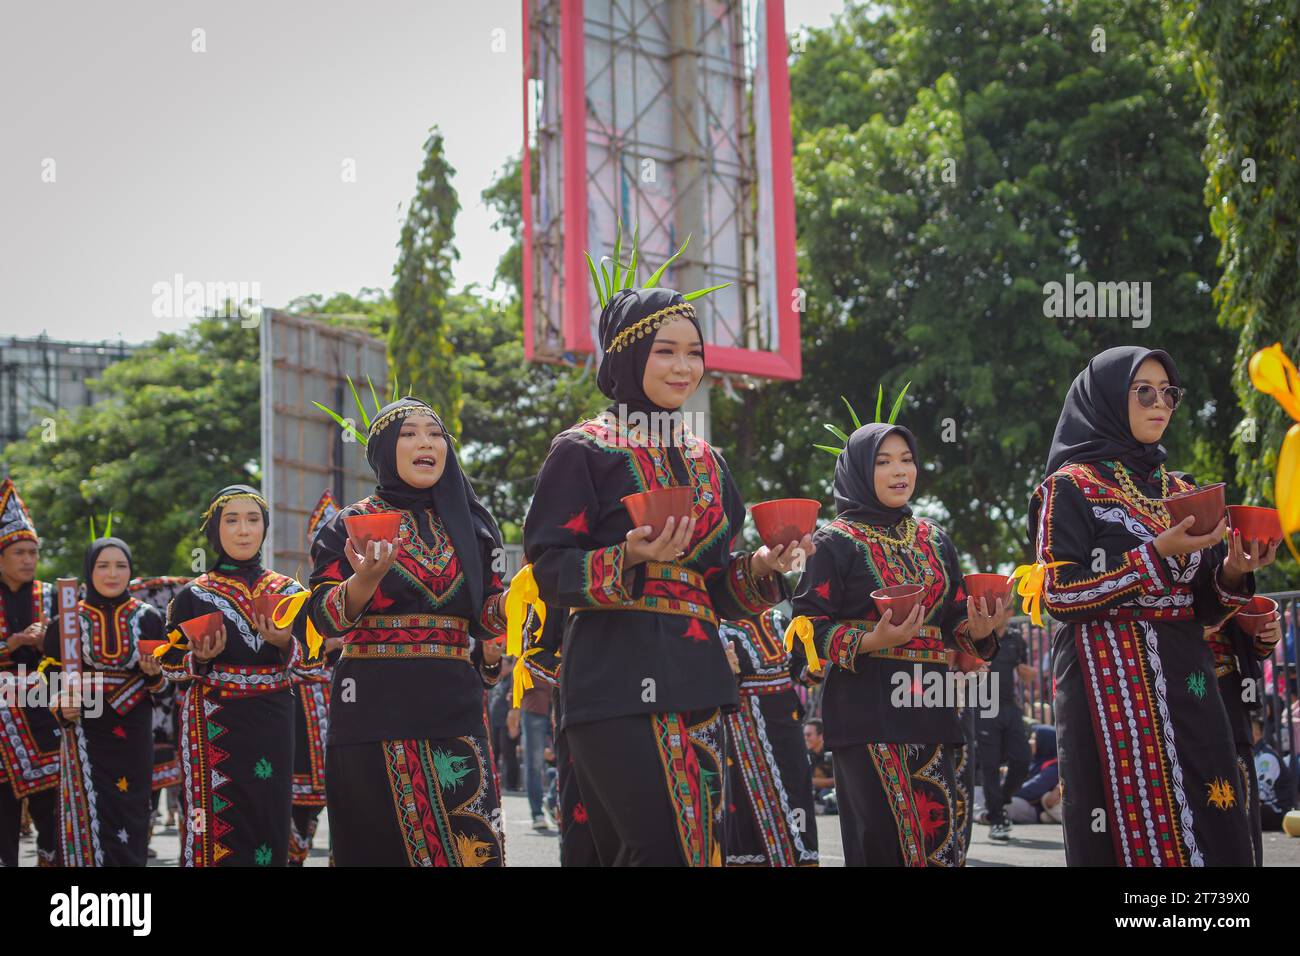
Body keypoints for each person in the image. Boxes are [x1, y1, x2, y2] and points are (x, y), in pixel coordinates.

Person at [522, 284, 805, 866]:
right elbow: (547, 568)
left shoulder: (709, 460)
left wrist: (765, 567)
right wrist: (624, 557)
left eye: (695, 352)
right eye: (665, 351)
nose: (684, 367)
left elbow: (717, 586)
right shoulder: (583, 450)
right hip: (612, 679)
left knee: (701, 850)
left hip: (698, 681)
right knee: (655, 848)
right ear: (627, 356)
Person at [1028, 347, 1271, 866]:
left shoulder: (1181, 490)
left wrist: (1234, 571)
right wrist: (1155, 556)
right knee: (1122, 821)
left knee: (1215, 806)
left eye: (1169, 392)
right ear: (1110, 399)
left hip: (1190, 675)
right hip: (1106, 680)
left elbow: (1204, 606)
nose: (1160, 402)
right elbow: (1060, 593)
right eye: (1144, 391)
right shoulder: (1069, 487)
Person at [789, 422, 1008, 866]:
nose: (899, 471)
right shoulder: (833, 542)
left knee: (940, 839)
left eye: (906, 459)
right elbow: (807, 628)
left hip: (932, 705)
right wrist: (873, 638)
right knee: (886, 842)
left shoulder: (935, 539)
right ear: (858, 471)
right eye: (883, 461)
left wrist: (981, 631)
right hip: (867, 708)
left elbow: (953, 619)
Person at [306, 398, 509, 867]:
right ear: (382, 451)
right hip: (370, 706)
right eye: (410, 434)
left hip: (453, 706)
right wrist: (364, 581)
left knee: (472, 848)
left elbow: (485, 620)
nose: (426, 442)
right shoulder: (348, 523)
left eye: (435, 434)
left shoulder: (474, 526)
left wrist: (521, 600)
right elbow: (324, 618)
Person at [159, 484, 319, 867]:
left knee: (268, 821)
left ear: (265, 528)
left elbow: (313, 663)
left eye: (253, 520)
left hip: (273, 720)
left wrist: (284, 643)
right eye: (231, 520)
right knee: (215, 827)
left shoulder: (290, 592)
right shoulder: (192, 594)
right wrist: (197, 658)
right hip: (214, 720)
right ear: (215, 530)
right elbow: (169, 663)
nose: (243, 530)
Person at [56, 532, 167, 866]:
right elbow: (48, 676)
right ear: (89, 570)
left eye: (121, 566)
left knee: (133, 808)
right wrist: (60, 703)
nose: (112, 573)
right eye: (103, 565)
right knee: (91, 810)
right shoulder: (67, 620)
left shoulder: (148, 617)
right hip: (85, 729)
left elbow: (167, 688)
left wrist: (154, 675)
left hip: (134, 732)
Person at [720, 606, 819, 866]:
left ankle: (800, 857)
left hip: (787, 722)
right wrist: (726, 671)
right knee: (745, 795)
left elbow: (799, 668)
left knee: (796, 785)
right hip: (743, 723)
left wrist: (812, 669)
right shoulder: (719, 625)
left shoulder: (778, 619)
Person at [0, 477, 62, 867]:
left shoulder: (54, 595)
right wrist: (11, 644)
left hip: (45, 708)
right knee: (3, 803)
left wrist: (46, 643)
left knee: (52, 800)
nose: (28, 560)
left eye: (33, 552)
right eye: (20, 552)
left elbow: (75, 653)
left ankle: (50, 860)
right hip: (1, 716)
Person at [1205, 608, 1282, 864]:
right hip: (1172, 694)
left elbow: (1249, 642)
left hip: (1229, 694)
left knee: (1239, 808)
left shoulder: (1233, 572)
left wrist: (1265, 636)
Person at [289, 490, 342, 866]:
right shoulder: (294, 597)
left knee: (354, 818)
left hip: (350, 712)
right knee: (298, 820)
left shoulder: (373, 589)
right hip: (301, 720)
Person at [975, 622, 1033, 841]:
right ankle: (997, 819)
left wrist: (1028, 673)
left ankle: (1001, 800)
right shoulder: (977, 633)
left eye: (1009, 606)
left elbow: (1024, 671)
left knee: (1022, 759)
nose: (1006, 612)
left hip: (1010, 706)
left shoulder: (1016, 637)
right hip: (984, 706)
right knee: (990, 765)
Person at [1007, 724, 1061, 824]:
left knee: (1007, 804)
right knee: (979, 792)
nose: (1030, 742)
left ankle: (984, 815)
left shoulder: (1054, 767)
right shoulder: (1034, 762)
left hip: (1035, 809)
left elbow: (1032, 789)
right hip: (1022, 800)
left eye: (1034, 739)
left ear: (1045, 743)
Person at [520, 682, 552, 830]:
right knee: (535, 764)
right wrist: (513, 711)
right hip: (534, 706)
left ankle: (552, 800)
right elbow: (518, 676)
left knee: (567, 760)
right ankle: (537, 813)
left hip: (562, 703)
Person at [1253, 716, 1294, 830]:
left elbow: (1261, 794)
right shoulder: (1253, 755)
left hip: (1276, 810)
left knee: (1253, 810)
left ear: (1257, 733)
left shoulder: (1266, 757)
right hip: (1264, 808)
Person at [804, 718, 836, 813]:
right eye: (804, 735)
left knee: (826, 793)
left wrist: (811, 781)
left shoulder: (832, 754)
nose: (805, 738)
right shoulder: (804, 755)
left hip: (831, 795)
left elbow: (841, 781)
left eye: (808, 735)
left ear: (821, 736)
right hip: (813, 795)